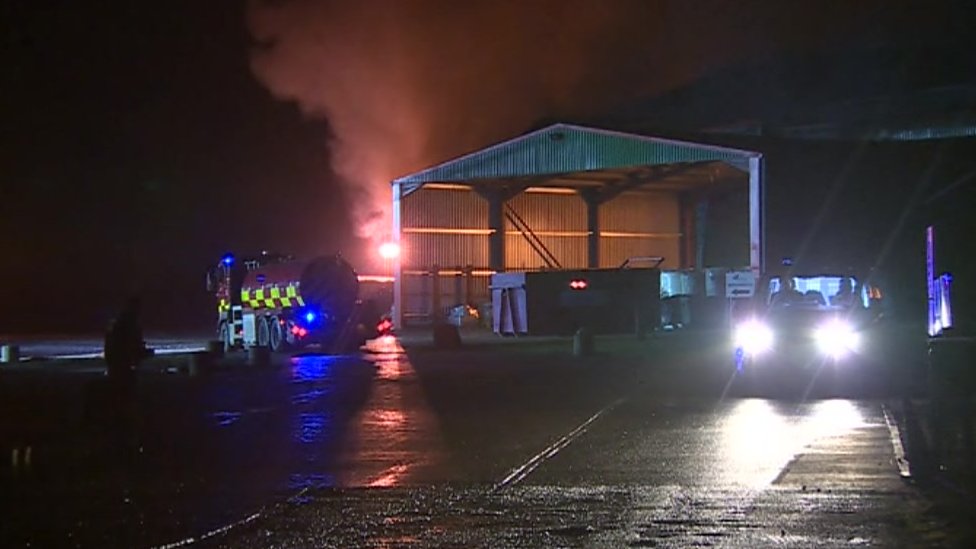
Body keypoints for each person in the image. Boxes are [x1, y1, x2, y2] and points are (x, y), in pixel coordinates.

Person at [104, 296, 152, 383]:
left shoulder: (119, 323)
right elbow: (128, 347)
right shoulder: (128, 325)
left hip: (117, 364)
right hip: (121, 365)